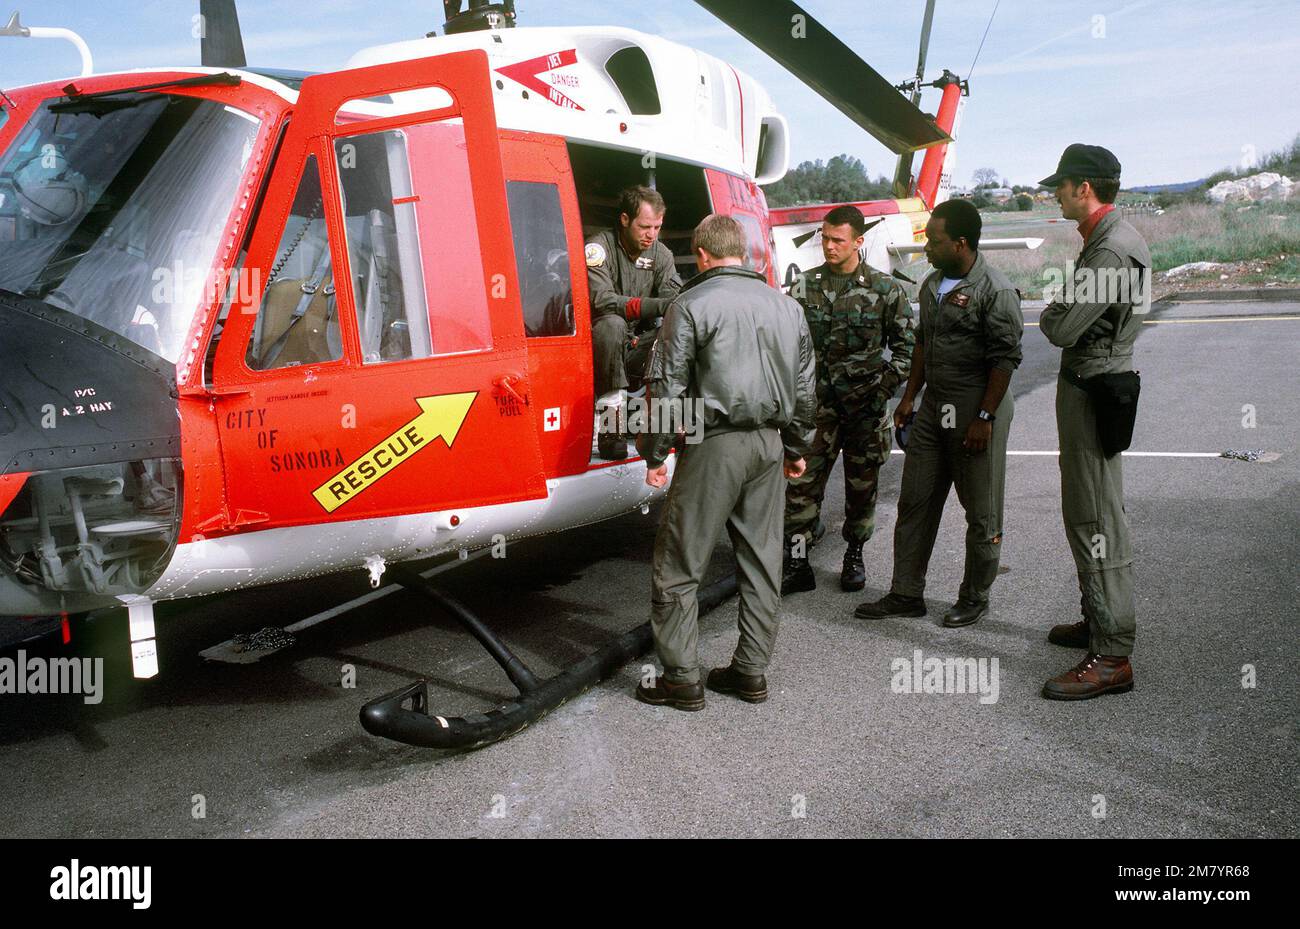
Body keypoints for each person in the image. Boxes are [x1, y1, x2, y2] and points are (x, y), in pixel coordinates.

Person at [634, 214, 816, 711]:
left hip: (714, 444)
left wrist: (656, 453)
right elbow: (804, 388)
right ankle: (751, 672)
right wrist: (797, 446)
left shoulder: (689, 304)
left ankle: (682, 678)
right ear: (742, 251)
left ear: (703, 253)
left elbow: (668, 386)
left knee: (679, 563)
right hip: (769, 443)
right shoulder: (786, 307)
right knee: (761, 561)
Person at [854, 199, 1023, 626]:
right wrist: (910, 397)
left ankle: (974, 596)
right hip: (934, 408)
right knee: (916, 501)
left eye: (935, 240)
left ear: (961, 244)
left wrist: (984, 419)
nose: (926, 247)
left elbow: (1004, 360)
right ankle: (906, 593)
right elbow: (924, 344)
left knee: (981, 513)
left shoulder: (995, 290)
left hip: (976, 406)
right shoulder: (931, 285)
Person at [1037, 144, 1150, 700]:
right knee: (1089, 511)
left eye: (1061, 184)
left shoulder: (1110, 252)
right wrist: (1064, 309)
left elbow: (1059, 327)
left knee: (1096, 518)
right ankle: (1097, 619)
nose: (1054, 192)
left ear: (1085, 187)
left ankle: (1111, 655)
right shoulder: (1107, 242)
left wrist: (1056, 310)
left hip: (1092, 389)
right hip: (1092, 386)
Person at [782, 204, 914, 595]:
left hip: (864, 409)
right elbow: (789, 346)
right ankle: (798, 561)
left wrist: (882, 388)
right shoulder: (803, 288)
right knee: (802, 485)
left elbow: (907, 348)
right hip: (816, 409)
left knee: (862, 487)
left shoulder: (885, 289)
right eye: (824, 237)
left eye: (837, 240)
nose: (828, 246)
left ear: (859, 241)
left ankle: (854, 554)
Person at [586, 185, 683, 459]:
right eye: (644, 227)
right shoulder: (598, 248)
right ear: (625, 219)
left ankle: (672, 424)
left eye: (657, 227)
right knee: (612, 324)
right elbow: (602, 300)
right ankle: (611, 429)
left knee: (678, 331)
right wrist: (656, 306)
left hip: (639, 345)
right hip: (600, 346)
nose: (651, 234)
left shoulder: (661, 255)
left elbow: (674, 298)